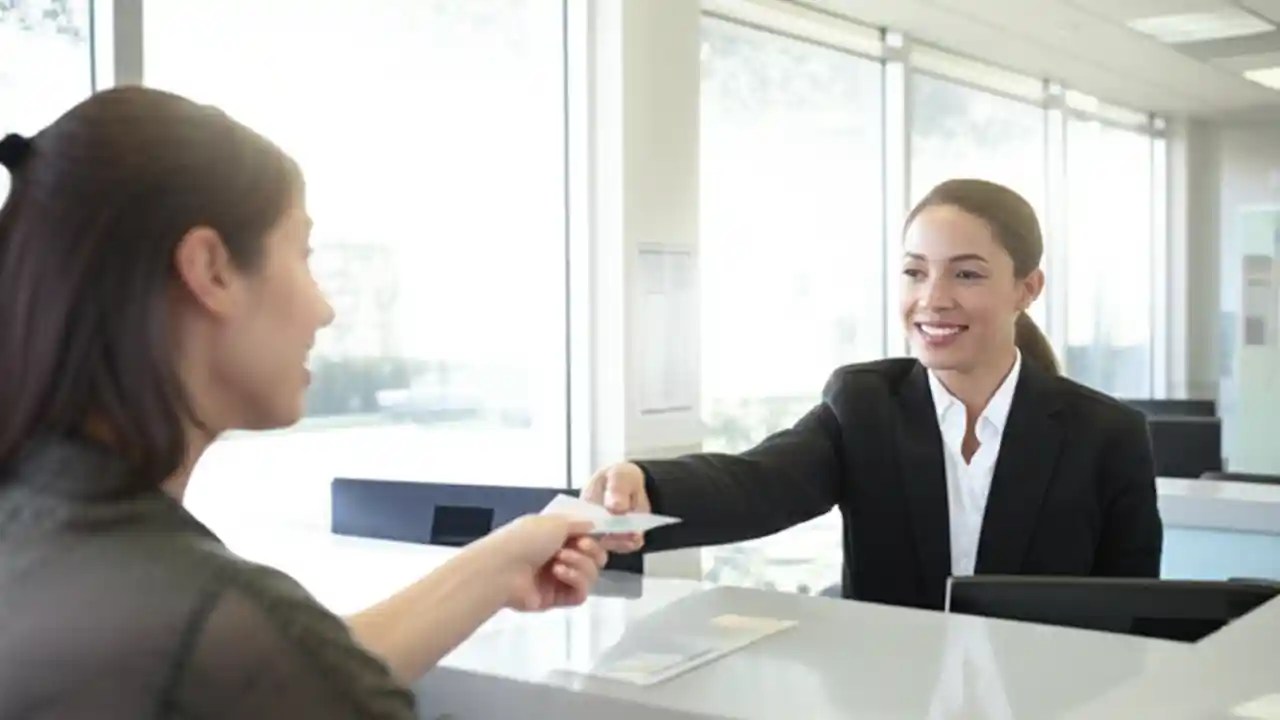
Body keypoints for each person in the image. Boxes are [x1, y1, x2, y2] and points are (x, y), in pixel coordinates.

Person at [0, 87, 606, 719]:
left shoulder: (50, 542)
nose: (324, 308)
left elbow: (267, 674)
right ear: (211, 269)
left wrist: (495, 570)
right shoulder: (210, 611)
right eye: (303, 254)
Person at [585, 178, 1162, 610]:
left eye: (966, 274)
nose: (932, 299)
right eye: (915, 272)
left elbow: (1137, 618)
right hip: (888, 695)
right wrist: (648, 487)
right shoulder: (866, 405)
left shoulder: (1107, 436)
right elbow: (761, 482)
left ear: (1026, 288)